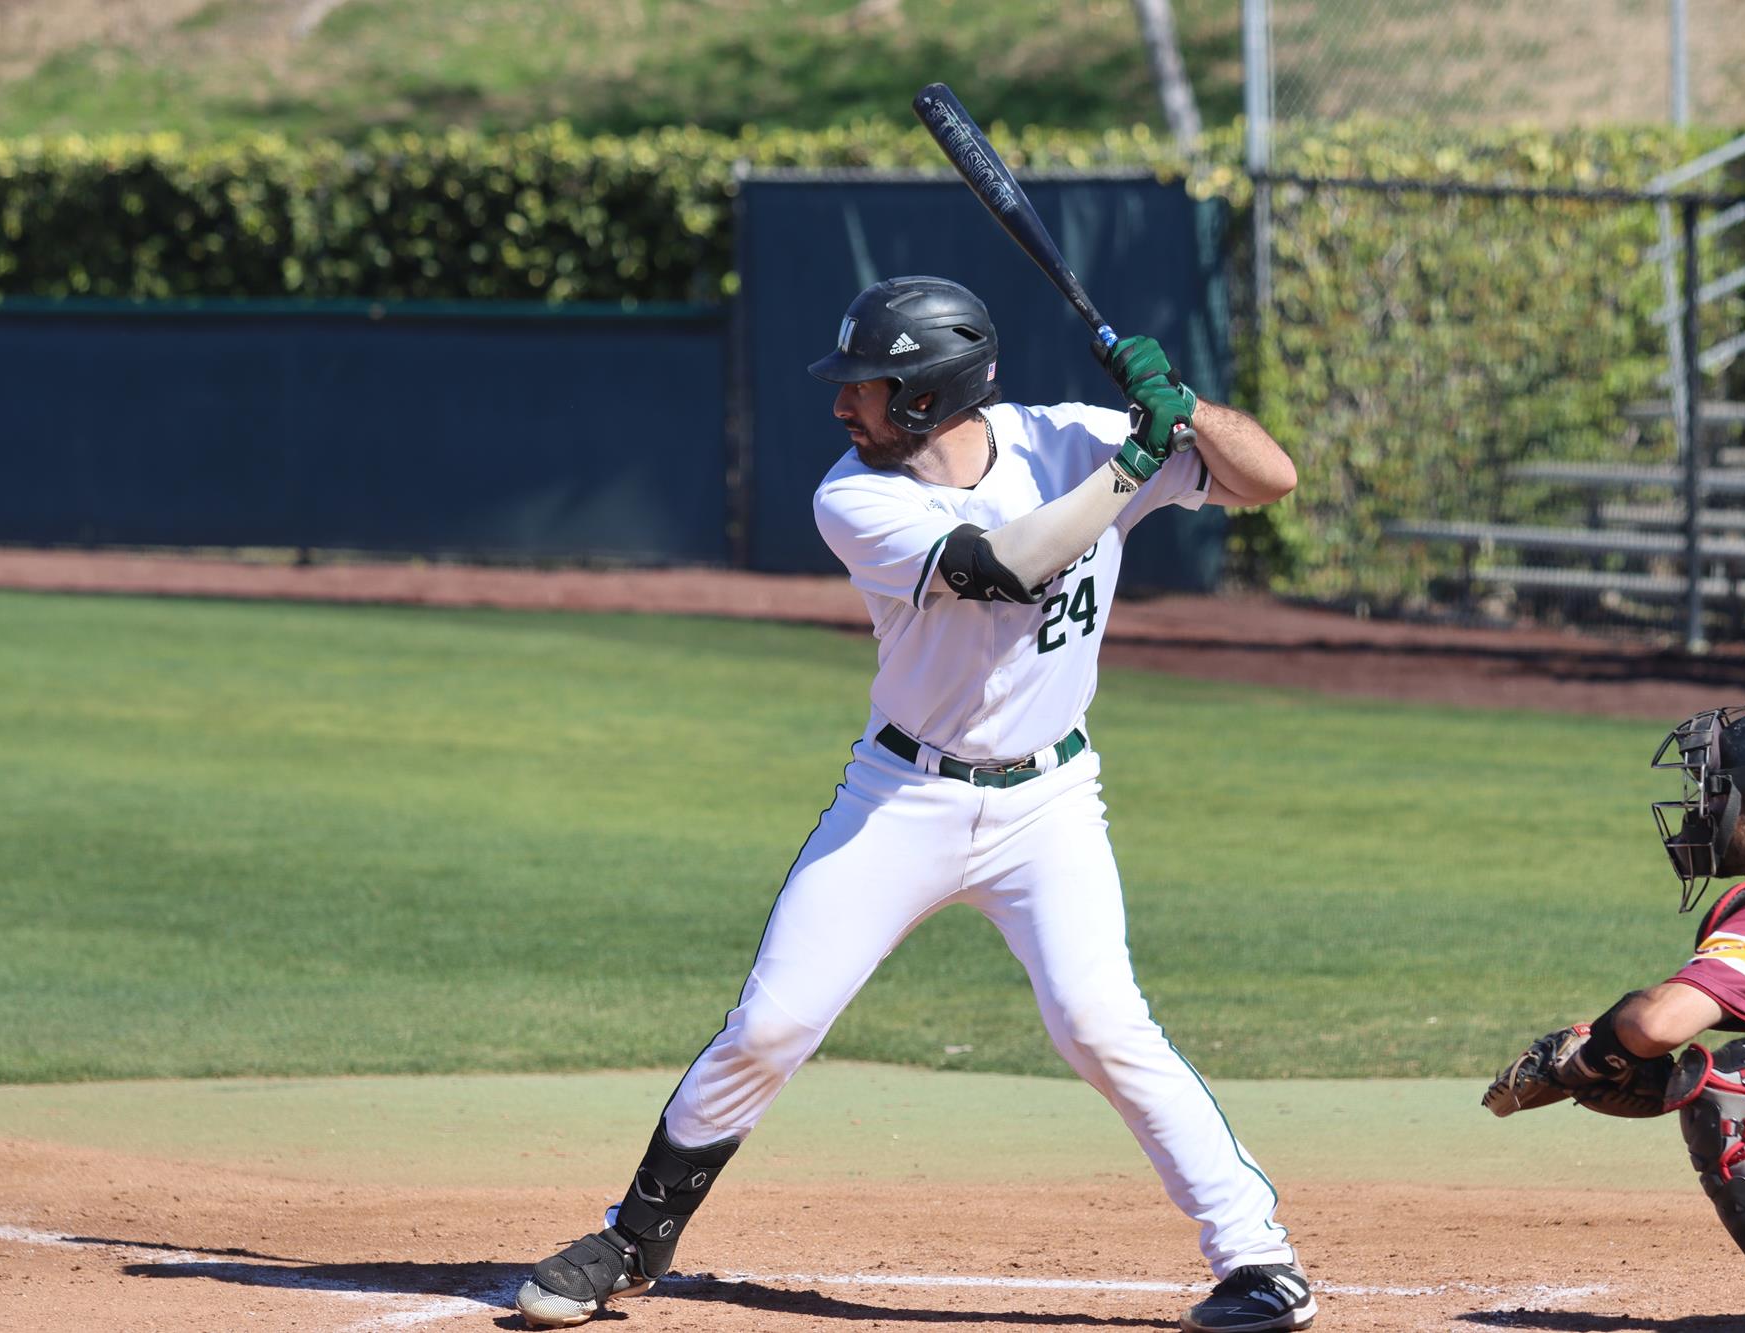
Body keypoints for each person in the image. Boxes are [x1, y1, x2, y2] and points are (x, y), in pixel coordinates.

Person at [514, 275, 1314, 1333]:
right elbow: (1006, 567)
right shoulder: (854, 496)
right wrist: (1133, 461)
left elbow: (1270, 478)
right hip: (900, 799)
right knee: (773, 1023)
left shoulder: (1069, 438)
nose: (844, 404)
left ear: (929, 395)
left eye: (866, 386)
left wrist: (1186, 407)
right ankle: (633, 1238)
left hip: (1050, 803)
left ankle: (1259, 1260)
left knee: (1101, 1024)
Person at [1483, 701, 1745, 1331]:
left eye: (1719, 794)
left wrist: (1592, 1056)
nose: (1701, 811)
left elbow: (1655, 1025)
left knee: (1736, 1084)